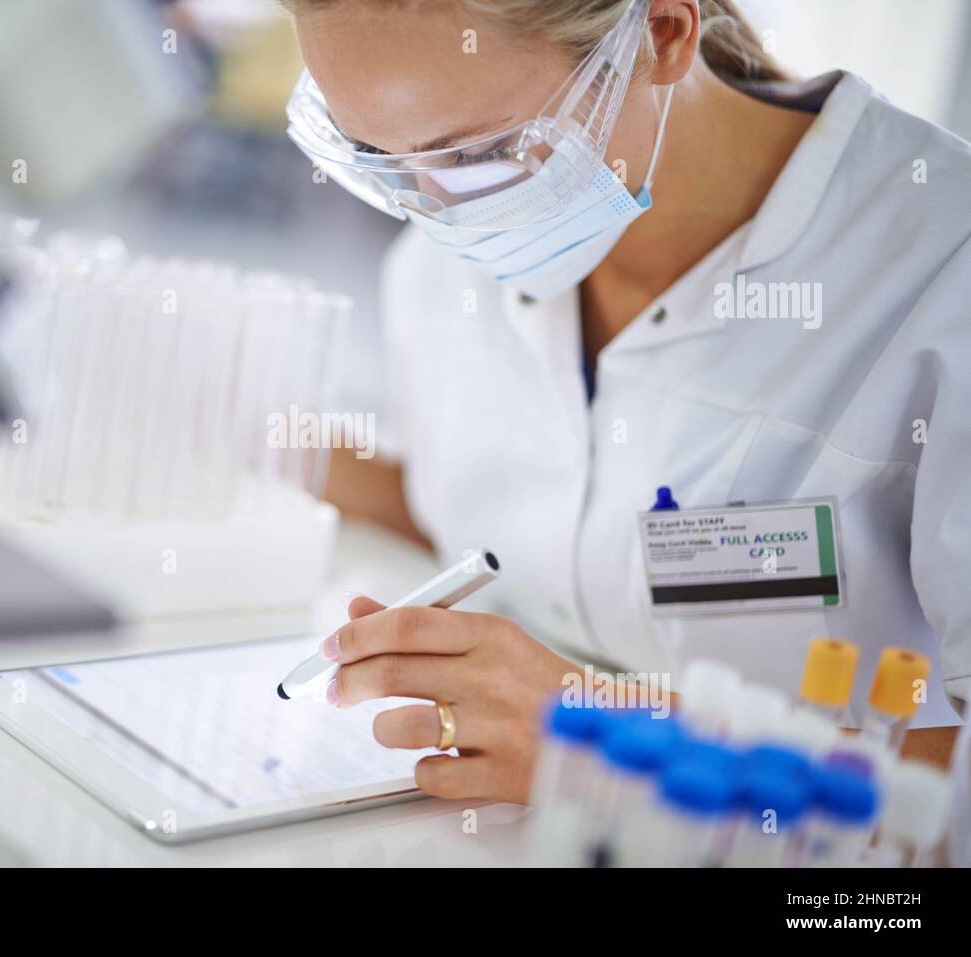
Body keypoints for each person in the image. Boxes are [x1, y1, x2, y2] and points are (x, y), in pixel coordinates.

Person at [282, 0, 971, 803]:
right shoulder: (443, 263)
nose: (440, 212)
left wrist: (615, 744)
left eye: (488, 152)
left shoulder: (941, 270)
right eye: (376, 158)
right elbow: (515, 507)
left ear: (663, 35)